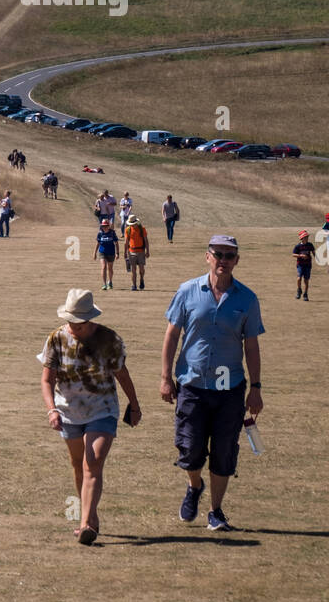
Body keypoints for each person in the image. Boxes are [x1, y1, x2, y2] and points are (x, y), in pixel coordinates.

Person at [161, 234, 264, 532]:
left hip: (230, 390)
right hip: (192, 386)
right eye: (218, 254)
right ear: (208, 256)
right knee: (191, 450)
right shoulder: (187, 291)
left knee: (224, 451)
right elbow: (171, 335)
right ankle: (194, 486)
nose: (223, 260)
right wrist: (166, 378)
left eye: (229, 255)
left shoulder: (247, 299)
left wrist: (256, 388)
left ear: (237, 260)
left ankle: (216, 511)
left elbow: (252, 346)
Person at [39, 288, 141, 545]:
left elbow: (122, 374)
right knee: (78, 466)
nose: (73, 326)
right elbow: (47, 379)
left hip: (102, 410)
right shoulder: (56, 339)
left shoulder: (109, 339)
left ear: (90, 319)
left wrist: (135, 404)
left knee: (91, 462)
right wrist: (51, 409)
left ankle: (85, 524)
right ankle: (91, 517)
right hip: (68, 412)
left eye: (79, 322)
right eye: (70, 320)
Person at [123, 215, 149, 291]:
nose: (132, 225)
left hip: (141, 252)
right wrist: (125, 252)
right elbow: (126, 242)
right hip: (131, 252)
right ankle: (134, 285)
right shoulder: (128, 230)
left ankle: (141, 279)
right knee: (133, 270)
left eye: (133, 224)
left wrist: (147, 251)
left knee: (141, 269)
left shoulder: (142, 229)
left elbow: (146, 241)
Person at [93, 218, 119, 290]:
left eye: (106, 226)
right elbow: (98, 243)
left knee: (110, 268)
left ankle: (110, 282)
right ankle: (104, 284)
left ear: (108, 226)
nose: (105, 227)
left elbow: (116, 243)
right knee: (104, 267)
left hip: (111, 252)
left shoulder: (112, 233)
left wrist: (117, 253)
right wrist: (94, 253)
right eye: (103, 226)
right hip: (102, 252)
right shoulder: (100, 233)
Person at [292, 230, 315, 301]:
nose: (307, 238)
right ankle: (299, 290)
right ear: (302, 238)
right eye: (305, 237)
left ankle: (305, 294)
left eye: (307, 237)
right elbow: (293, 254)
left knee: (306, 280)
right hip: (300, 265)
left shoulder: (310, 245)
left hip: (308, 265)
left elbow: (313, 252)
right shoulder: (298, 246)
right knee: (299, 278)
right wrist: (300, 255)